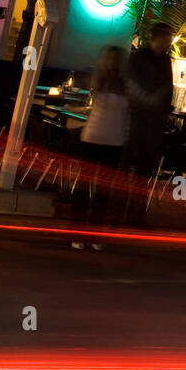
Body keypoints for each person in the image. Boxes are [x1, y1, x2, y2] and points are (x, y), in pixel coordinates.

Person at [70, 45, 127, 250]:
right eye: (111, 59)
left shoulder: (125, 83)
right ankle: (78, 234)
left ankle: (94, 235)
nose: (113, 63)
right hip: (94, 136)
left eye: (116, 60)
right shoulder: (99, 80)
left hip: (113, 140)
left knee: (103, 191)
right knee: (85, 189)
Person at [118, 22, 174, 226]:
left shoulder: (163, 60)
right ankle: (123, 211)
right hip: (136, 122)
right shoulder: (140, 59)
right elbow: (136, 88)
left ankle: (136, 213)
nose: (169, 41)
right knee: (129, 169)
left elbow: (168, 88)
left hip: (152, 125)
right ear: (159, 37)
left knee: (143, 171)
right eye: (168, 37)